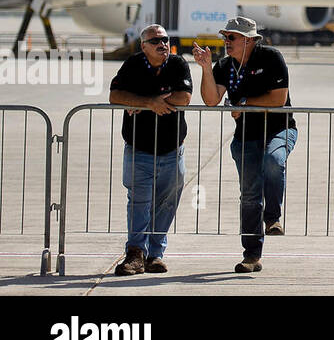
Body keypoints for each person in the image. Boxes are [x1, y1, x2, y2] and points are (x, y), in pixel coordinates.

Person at [194, 16, 296, 274]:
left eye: (232, 37)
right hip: (246, 136)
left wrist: (244, 104)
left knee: (273, 162)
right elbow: (211, 99)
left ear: (249, 40)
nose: (226, 42)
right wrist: (206, 68)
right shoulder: (224, 65)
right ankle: (251, 256)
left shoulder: (271, 58)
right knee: (249, 196)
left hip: (279, 129)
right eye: (225, 37)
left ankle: (272, 216)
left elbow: (277, 99)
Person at [107, 24, 192, 275]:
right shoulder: (133, 65)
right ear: (143, 46)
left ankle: (155, 254)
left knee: (166, 203)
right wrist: (149, 102)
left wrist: (141, 100)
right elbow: (115, 95)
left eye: (165, 39)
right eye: (155, 41)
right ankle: (135, 254)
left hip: (171, 150)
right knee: (139, 202)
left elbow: (184, 97)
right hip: (138, 149)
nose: (162, 44)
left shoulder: (177, 64)